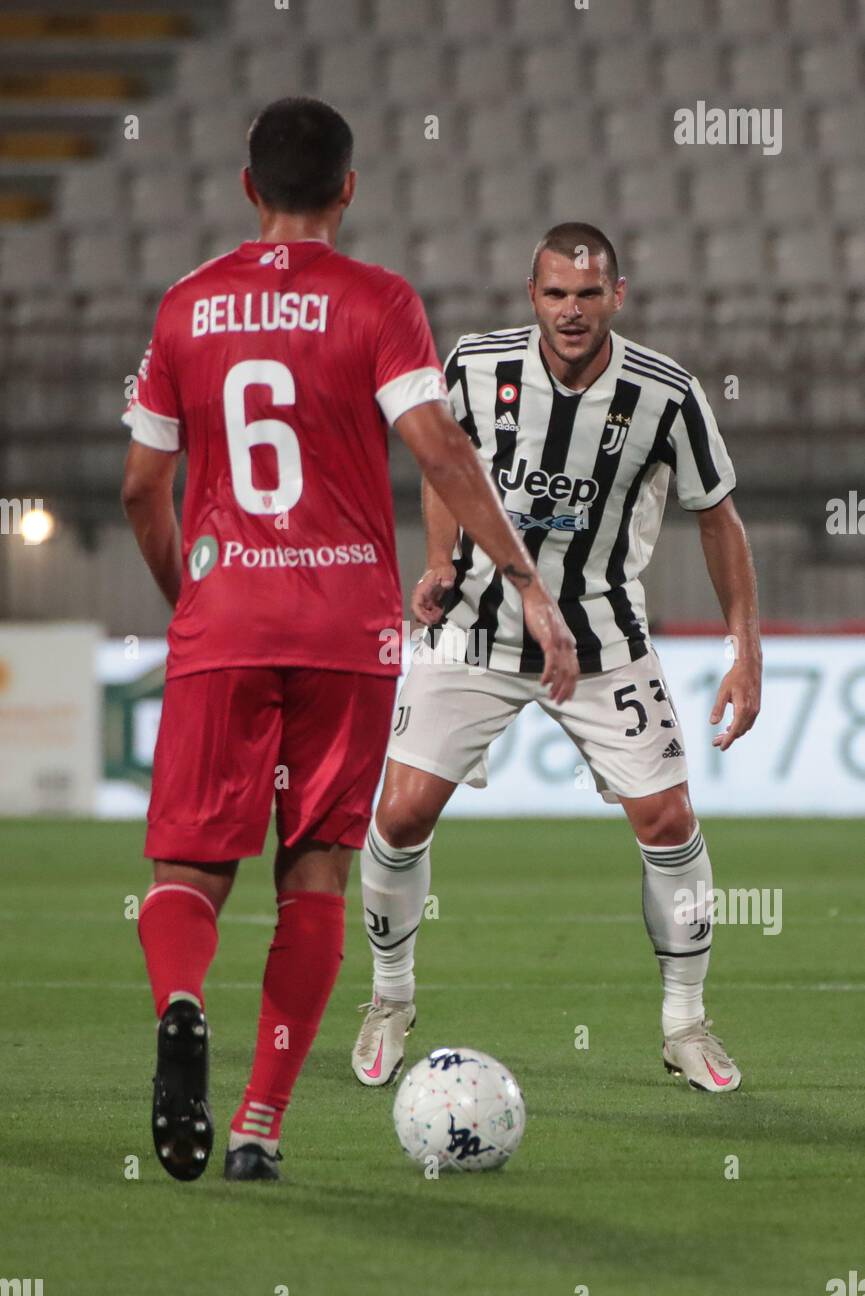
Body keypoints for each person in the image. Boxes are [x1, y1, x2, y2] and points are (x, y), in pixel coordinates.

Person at [121, 99, 577, 1183]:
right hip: (343, 625)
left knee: (188, 861)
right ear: (349, 189)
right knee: (315, 866)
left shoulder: (185, 307)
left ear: (248, 188)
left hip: (224, 617)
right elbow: (439, 449)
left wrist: (187, 594)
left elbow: (144, 484)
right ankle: (258, 1126)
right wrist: (523, 580)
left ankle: (183, 1001)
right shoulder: (378, 302)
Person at [352, 222, 762, 1095]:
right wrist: (433, 561)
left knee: (669, 820)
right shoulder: (473, 365)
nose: (570, 312)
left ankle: (684, 1023)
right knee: (398, 816)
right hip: (473, 627)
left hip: (604, 638)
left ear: (618, 295)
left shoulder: (666, 394)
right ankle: (389, 998)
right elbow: (441, 463)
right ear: (529, 295)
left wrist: (743, 646)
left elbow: (717, 513)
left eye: (587, 294)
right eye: (553, 294)